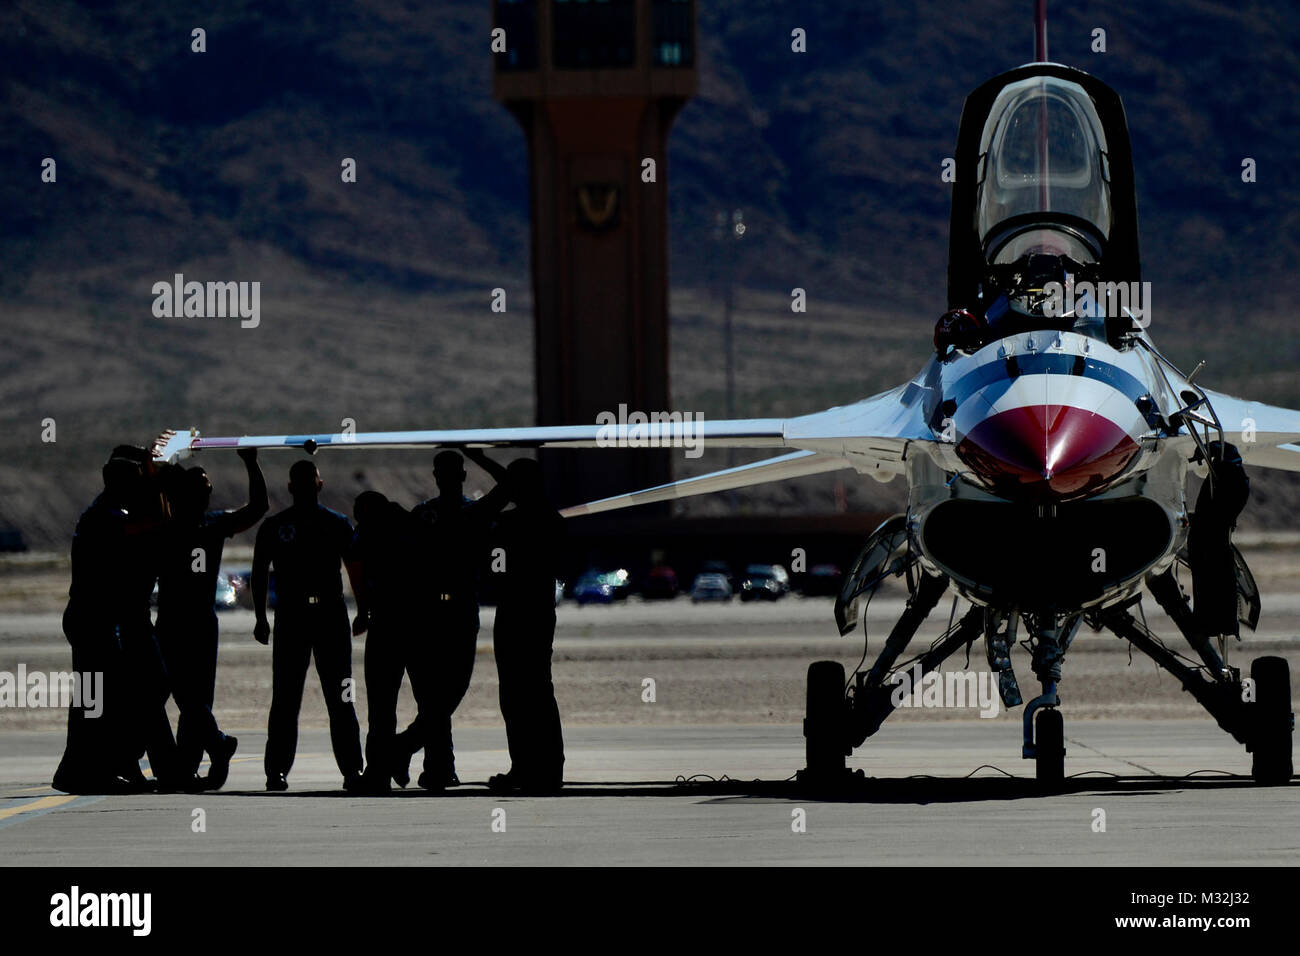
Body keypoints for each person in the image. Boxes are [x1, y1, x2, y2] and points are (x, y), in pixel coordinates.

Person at [54, 446, 188, 793]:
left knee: (95, 696)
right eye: (135, 480)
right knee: (101, 696)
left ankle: (84, 769)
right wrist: (157, 480)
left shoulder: (105, 512)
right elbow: (159, 525)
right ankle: (95, 769)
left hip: (91, 617)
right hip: (93, 619)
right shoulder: (109, 517)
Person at [396, 449, 508, 789]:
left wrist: (475, 454)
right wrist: (478, 455)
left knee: (446, 693)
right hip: (434, 610)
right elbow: (507, 485)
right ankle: (437, 767)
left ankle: (411, 752)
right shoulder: (428, 514)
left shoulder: (468, 512)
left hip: (453, 609)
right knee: (438, 695)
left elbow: (508, 486)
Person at [155, 448, 267, 788]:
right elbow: (258, 507)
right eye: (203, 487)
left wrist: (251, 463)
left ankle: (192, 764)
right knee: (185, 694)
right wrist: (250, 462)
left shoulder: (194, 523)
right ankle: (215, 746)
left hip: (190, 619)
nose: (209, 491)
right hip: (185, 620)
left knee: (190, 696)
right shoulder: (184, 524)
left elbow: (258, 508)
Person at [253, 460, 364, 792]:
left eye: (308, 481)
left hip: (330, 616)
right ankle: (276, 771)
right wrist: (260, 616)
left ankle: (353, 770)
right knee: (286, 699)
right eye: (298, 482)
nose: (303, 487)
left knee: (341, 696)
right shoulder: (275, 527)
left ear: (319, 485)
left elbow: (355, 567)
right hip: (291, 617)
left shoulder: (337, 524)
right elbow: (260, 572)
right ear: (291, 487)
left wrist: (364, 609)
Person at [485, 457, 567, 794]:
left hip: (516, 614)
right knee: (534, 692)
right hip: (535, 614)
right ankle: (543, 769)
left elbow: (479, 519)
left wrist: (500, 484)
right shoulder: (551, 520)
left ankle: (529, 768)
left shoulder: (510, 523)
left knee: (520, 695)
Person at [350, 491, 436, 794]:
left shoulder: (373, 531)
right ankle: (434, 767)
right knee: (429, 700)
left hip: (390, 623)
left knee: (382, 705)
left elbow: (358, 570)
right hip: (415, 623)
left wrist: (363, 611)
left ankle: (380, 769)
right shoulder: (413, 526)